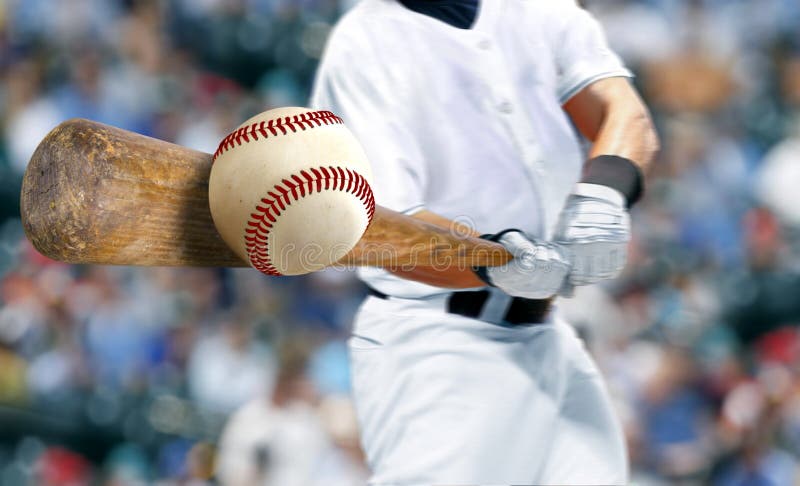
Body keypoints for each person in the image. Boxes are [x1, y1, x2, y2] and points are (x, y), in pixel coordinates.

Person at [310, 0, 659, 484]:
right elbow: (375, 229)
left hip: (547, 334)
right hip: (439, 345)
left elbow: (625, 114)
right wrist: (494, 259)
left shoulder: (539, 12)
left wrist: (604, 193)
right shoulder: (365, 43)